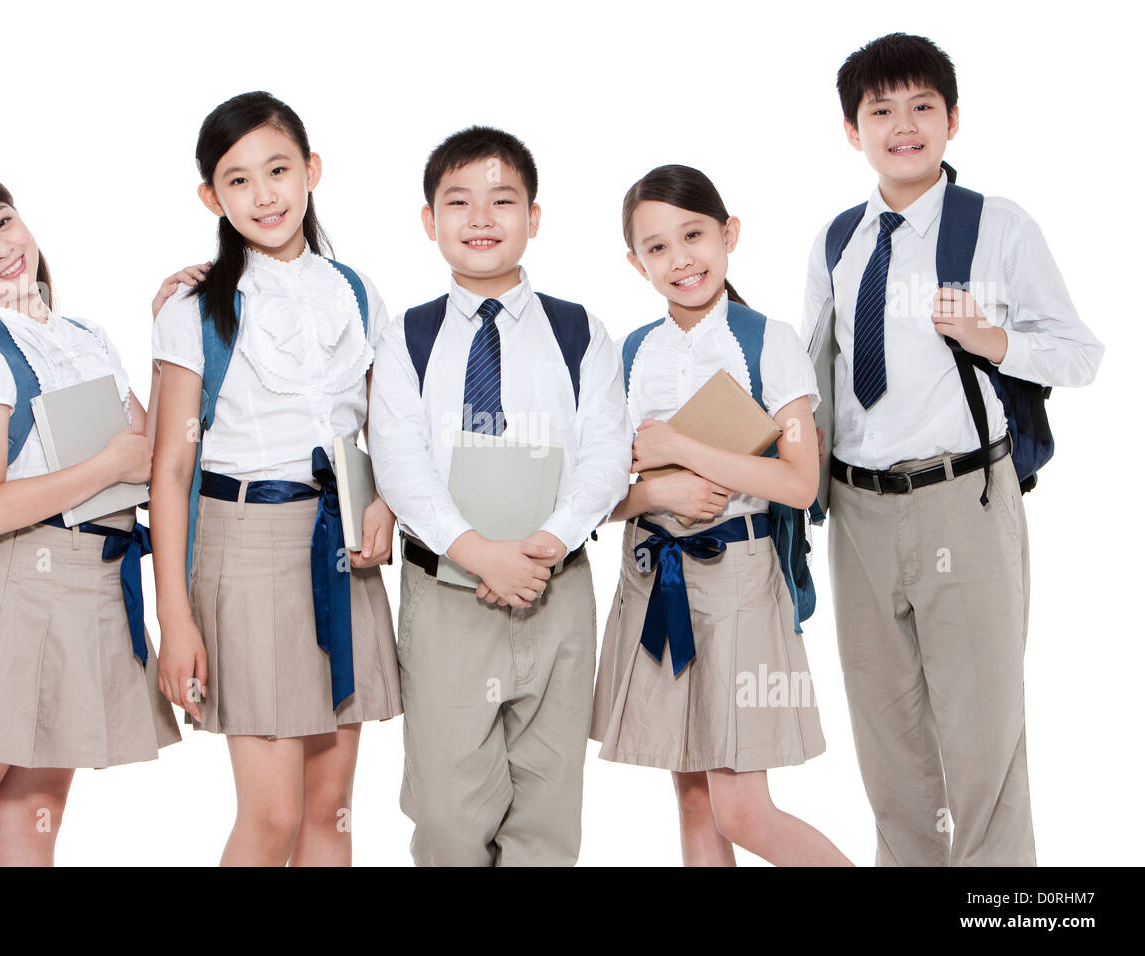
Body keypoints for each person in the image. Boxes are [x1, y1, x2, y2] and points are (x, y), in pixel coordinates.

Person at [804, 33, 1104, 865]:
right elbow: (814, 373)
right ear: (851, 130)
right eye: (881, 110)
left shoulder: (998, 227)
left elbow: (1080, 354)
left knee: (985, 750)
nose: (903, 125)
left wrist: (991, 338)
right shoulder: (839, 240)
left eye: (922, 107)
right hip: (857, 512)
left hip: (964, 501)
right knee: (889, 748)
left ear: (953, 119)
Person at [0, 170, 180, 866]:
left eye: (2, 221)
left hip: (89, 586)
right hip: (16, 588)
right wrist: (105, 467)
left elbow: (152, 455)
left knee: (38, 809)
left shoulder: (83, 334)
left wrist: (163, 338)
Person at [368, 125, 631, 866]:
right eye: (459, 202)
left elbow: (609, 452)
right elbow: (399, 459)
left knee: (546, 818)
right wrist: (480, 553)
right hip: (448, 593)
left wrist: (548, 543)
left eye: (502, 200)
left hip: (557, 589)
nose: (481, 218)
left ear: (534, 218)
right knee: (448, 815)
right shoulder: (407, 338)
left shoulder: (581, 332)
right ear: (430, 222)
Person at [149, 92, 401, 867]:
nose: (264, 196)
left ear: (311, 171)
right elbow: (171, 465)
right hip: (243, 546)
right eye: (238, 180)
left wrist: (386, 504)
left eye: (279, 170)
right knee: (272, 816)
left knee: (331, 812)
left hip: (340, 548)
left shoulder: (356, 294)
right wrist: (176, 618)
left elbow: (389, 433)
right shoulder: (194, 306)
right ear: (211, 198)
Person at [594, 164, 852, 866]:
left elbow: (799, 483)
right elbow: (600, 494)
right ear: (634, 261)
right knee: (694, 799)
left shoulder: (767, 340)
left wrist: (681, 447)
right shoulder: (630, 353)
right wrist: (658, 493)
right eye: (656, 247)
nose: (680, 259)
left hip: (740, 578)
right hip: (654, 575)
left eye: (694, 235)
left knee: (742, 809)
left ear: (728, 234)